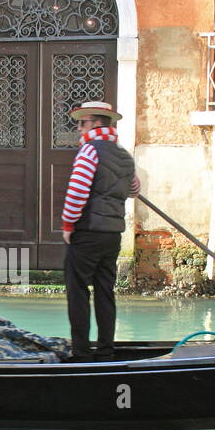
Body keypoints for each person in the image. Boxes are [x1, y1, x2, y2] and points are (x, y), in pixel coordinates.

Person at [61, 100, 138, 362]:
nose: (80, 129)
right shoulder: (124, 155)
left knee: (78, 292)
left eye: (83, 123)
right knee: (106, 291)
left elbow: (77, 192)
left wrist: (68, 225)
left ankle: (81, 353)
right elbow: (133, 189)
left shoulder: (89, 152)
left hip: (88, 232)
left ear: (95, 123)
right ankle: (106, 350)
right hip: (113, 234)